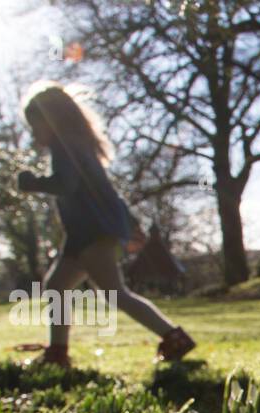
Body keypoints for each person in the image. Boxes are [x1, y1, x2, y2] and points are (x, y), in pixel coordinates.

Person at [17, 81, 196, 366]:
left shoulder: (66, 146)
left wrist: (31, 182)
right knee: (58, 286)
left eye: (35, 125)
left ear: (52, 119)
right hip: (86, 233)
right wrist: (130, 224)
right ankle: (57, 353)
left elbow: (66, 184)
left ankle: (174, 337)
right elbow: (106, 191)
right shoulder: (77, 145)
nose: (33, 133)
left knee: (115, 293)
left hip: (92, 232)